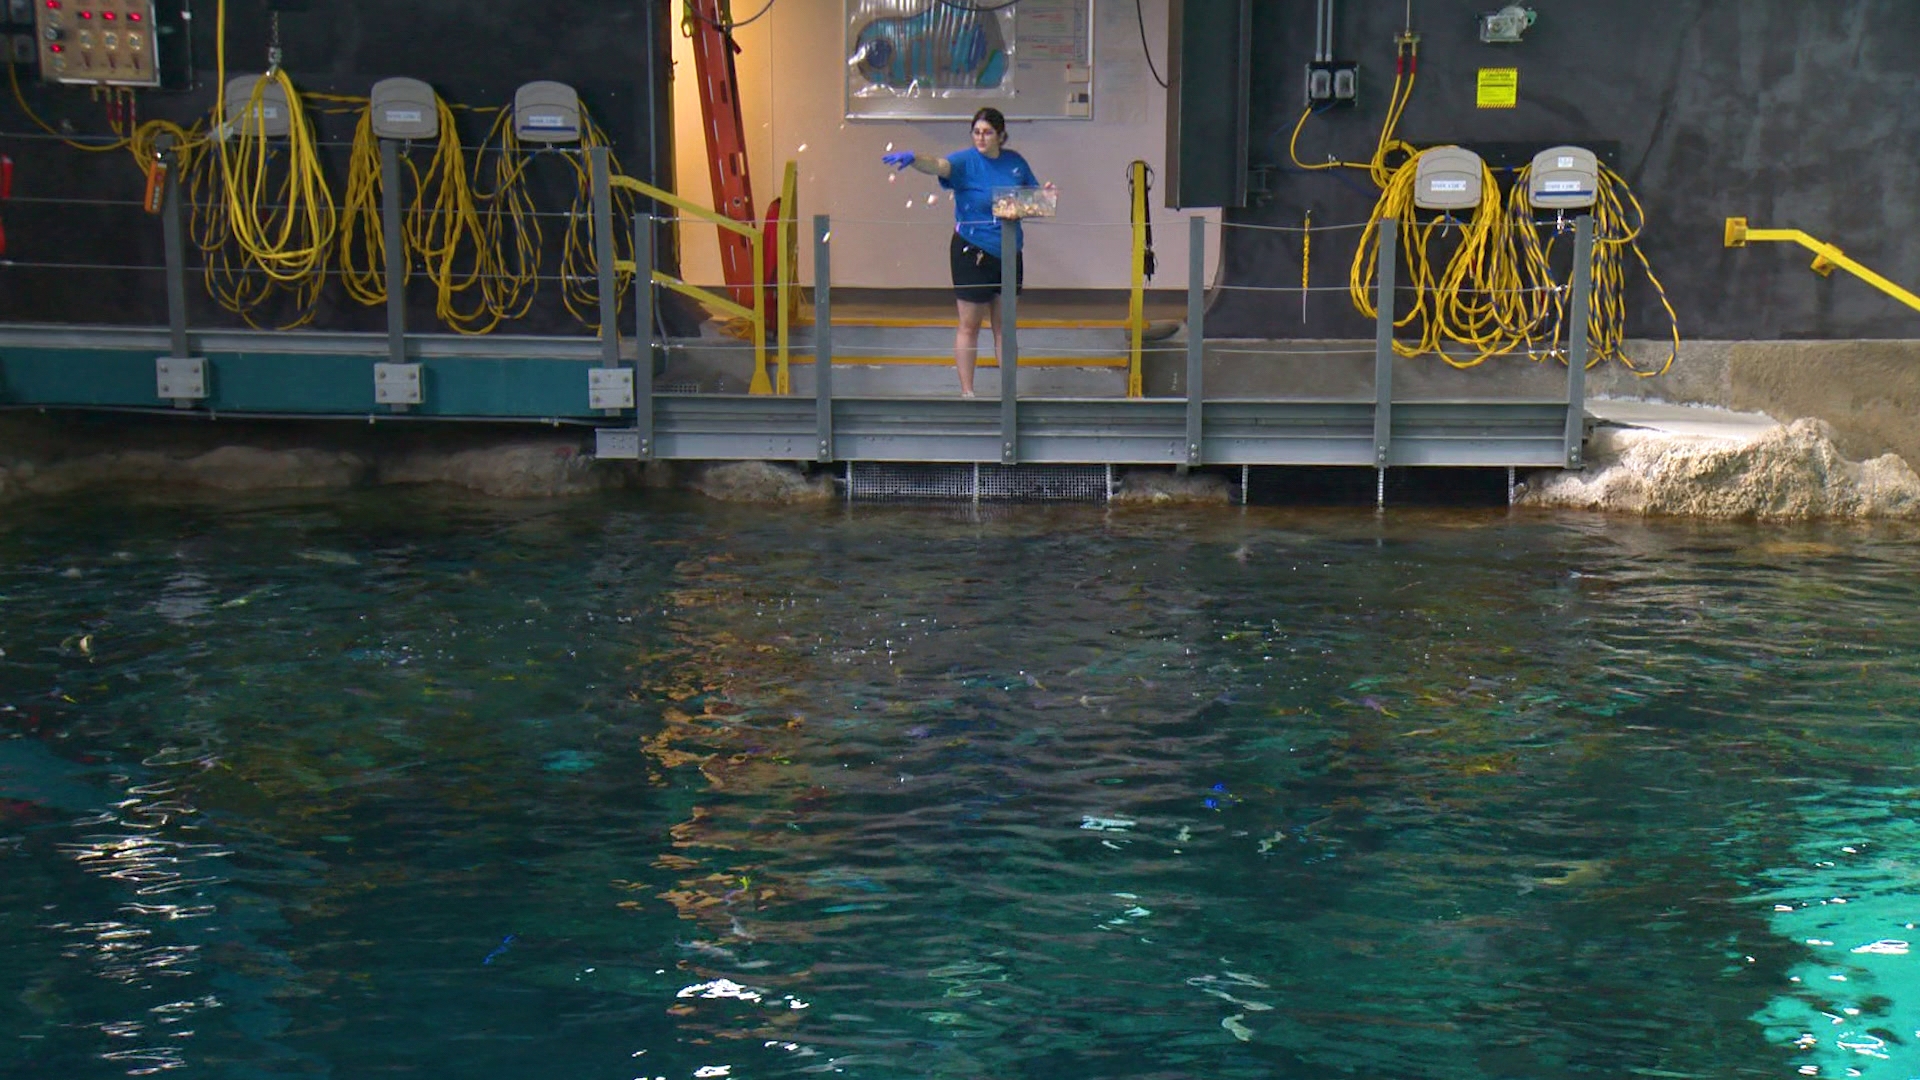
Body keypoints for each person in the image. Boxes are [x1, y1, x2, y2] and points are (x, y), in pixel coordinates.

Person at [882, 107, 1052, 397]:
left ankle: (1008, 393)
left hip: (1009, 251)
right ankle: (967, 392)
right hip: (971, 250)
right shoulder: (964, 160)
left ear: (1000, 135)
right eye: (976, 132)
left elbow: (1034, 200)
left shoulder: (1015, 163)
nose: (981, 138)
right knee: (970, 323)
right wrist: (915, 160)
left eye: (987, 132)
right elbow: (939, 165)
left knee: (1005, 326)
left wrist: (1046, 196)